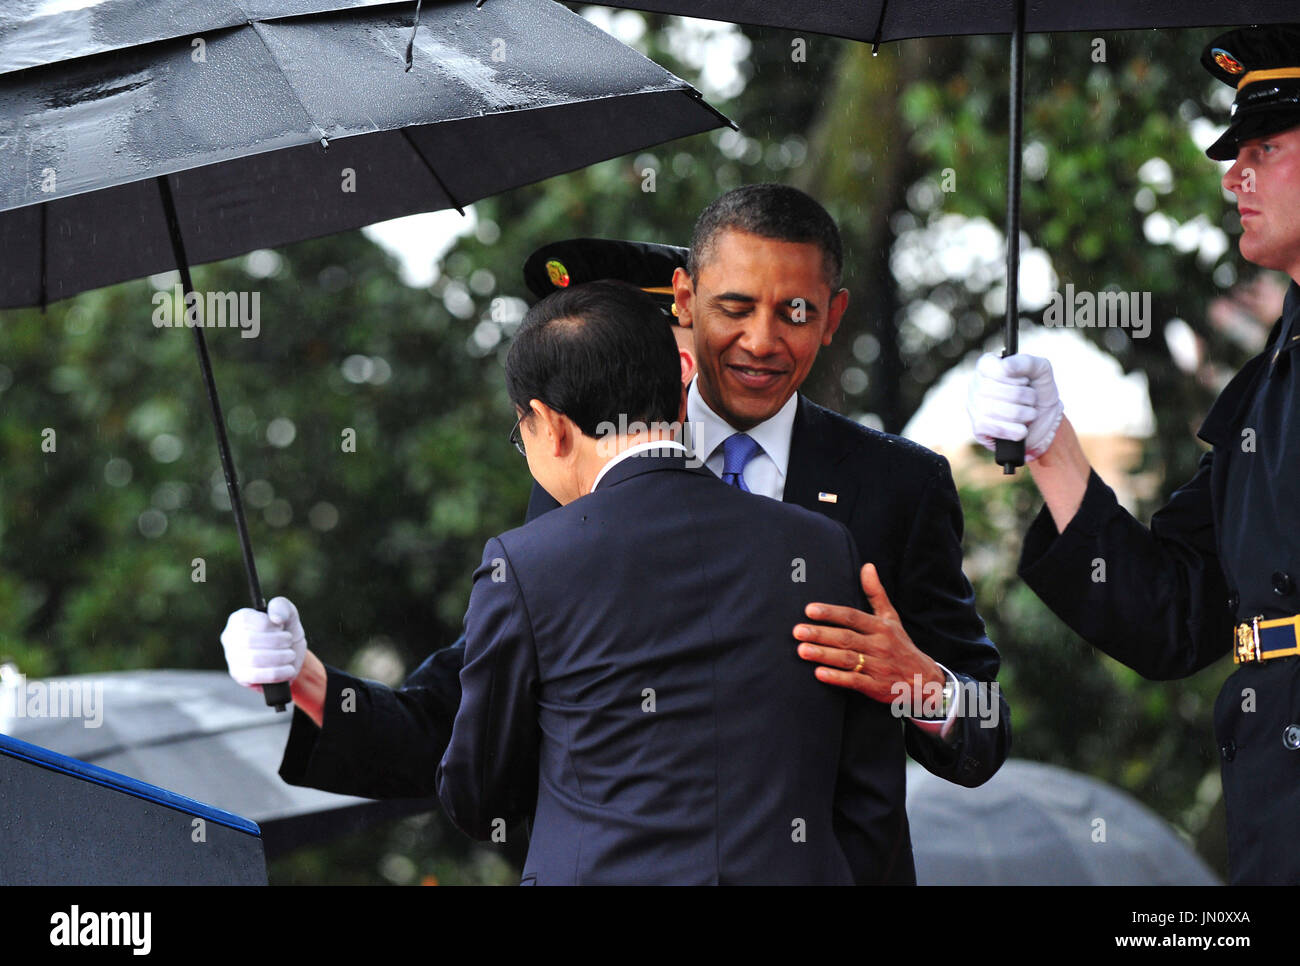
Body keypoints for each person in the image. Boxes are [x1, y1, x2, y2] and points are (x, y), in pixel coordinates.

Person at [226, 190, 1012, 881]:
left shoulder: (899, 486)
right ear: (685, 298)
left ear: (834, 315)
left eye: (795, 311)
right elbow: (470, 708)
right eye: (734, 308)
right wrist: (311, 679)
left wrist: (926, 685)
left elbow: (984, 729)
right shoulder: (573, 468)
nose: (763, 340)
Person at [966, 24, 1300, 884]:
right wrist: (1052, 446)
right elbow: (1177, 615)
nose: (1236, 177)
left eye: (1264, 147)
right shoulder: (1271, 382)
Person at [436, 279, 888, 883]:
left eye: (524, 436)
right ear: (682, 397)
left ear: (551, 425)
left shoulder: (524, 564)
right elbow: (866, 785)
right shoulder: (821, 546)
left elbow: (477, 793)